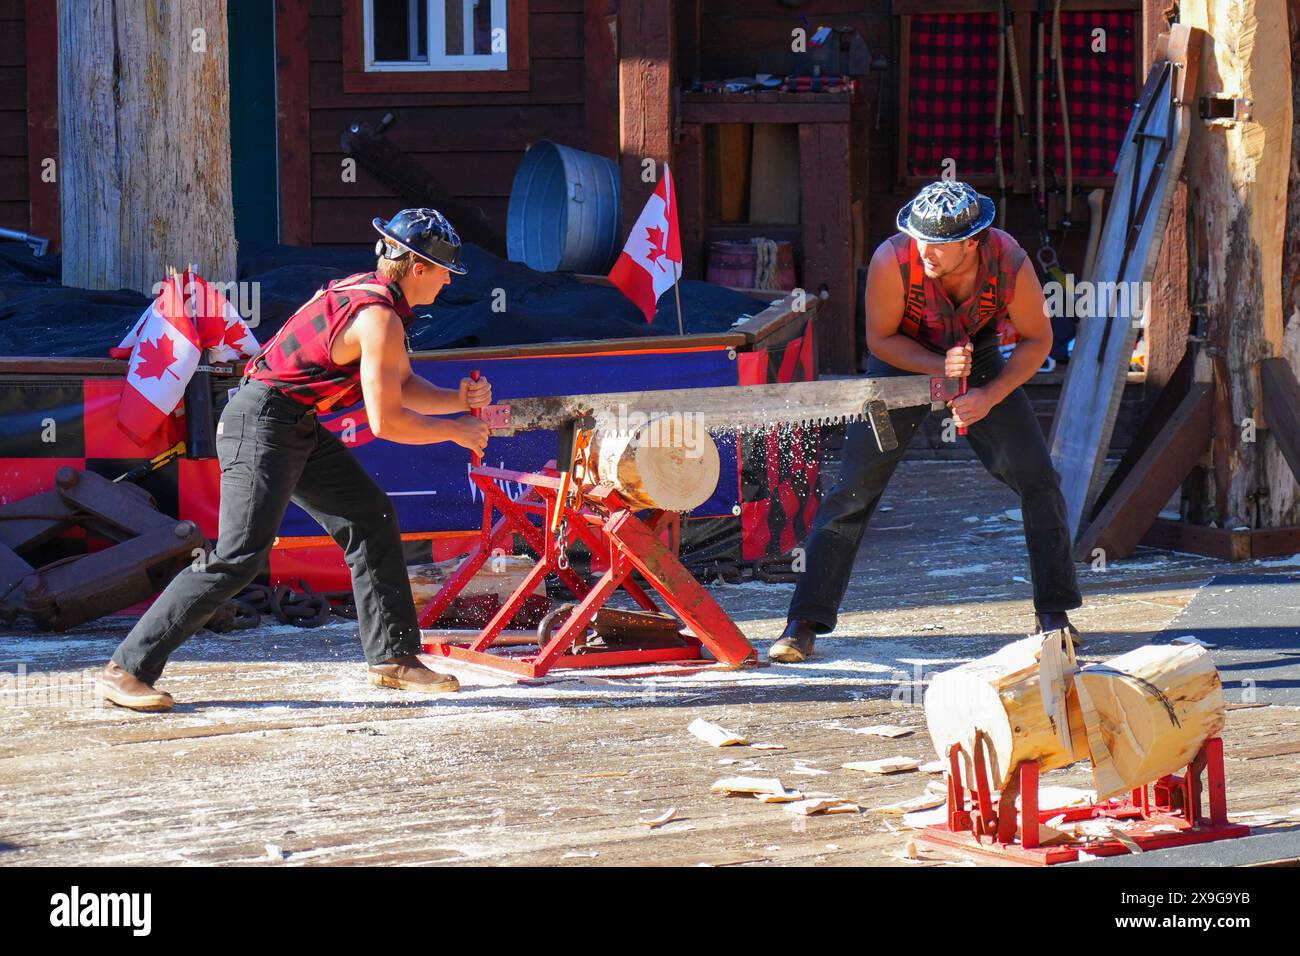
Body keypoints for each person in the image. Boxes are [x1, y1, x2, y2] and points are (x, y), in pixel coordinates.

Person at [98, 208, 492, 709]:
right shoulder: (380, 319)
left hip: (290, 421)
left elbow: (407, 384)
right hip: (262, 423)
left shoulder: (372, 300)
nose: (446, 282)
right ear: (418, 268)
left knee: (371, 517)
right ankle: (126, 668)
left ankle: (394, 657)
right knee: (239, 557)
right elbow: (386, 422)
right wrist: (454, 431)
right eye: (444, 271)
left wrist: (459, 399)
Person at [770, 181, 1081, 663]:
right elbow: (880, 341)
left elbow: (1037, 340)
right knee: (853, 488)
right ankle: (803, 621)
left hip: (977, 358)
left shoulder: (1010, 261)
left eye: (939, 243)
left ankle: (1055, 616)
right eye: (920, 239)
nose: (926, 251)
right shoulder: (891, 261)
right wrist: (938, 368)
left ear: (973, 242)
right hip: (903, 360)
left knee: (1039, 479)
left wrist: (988, 394)